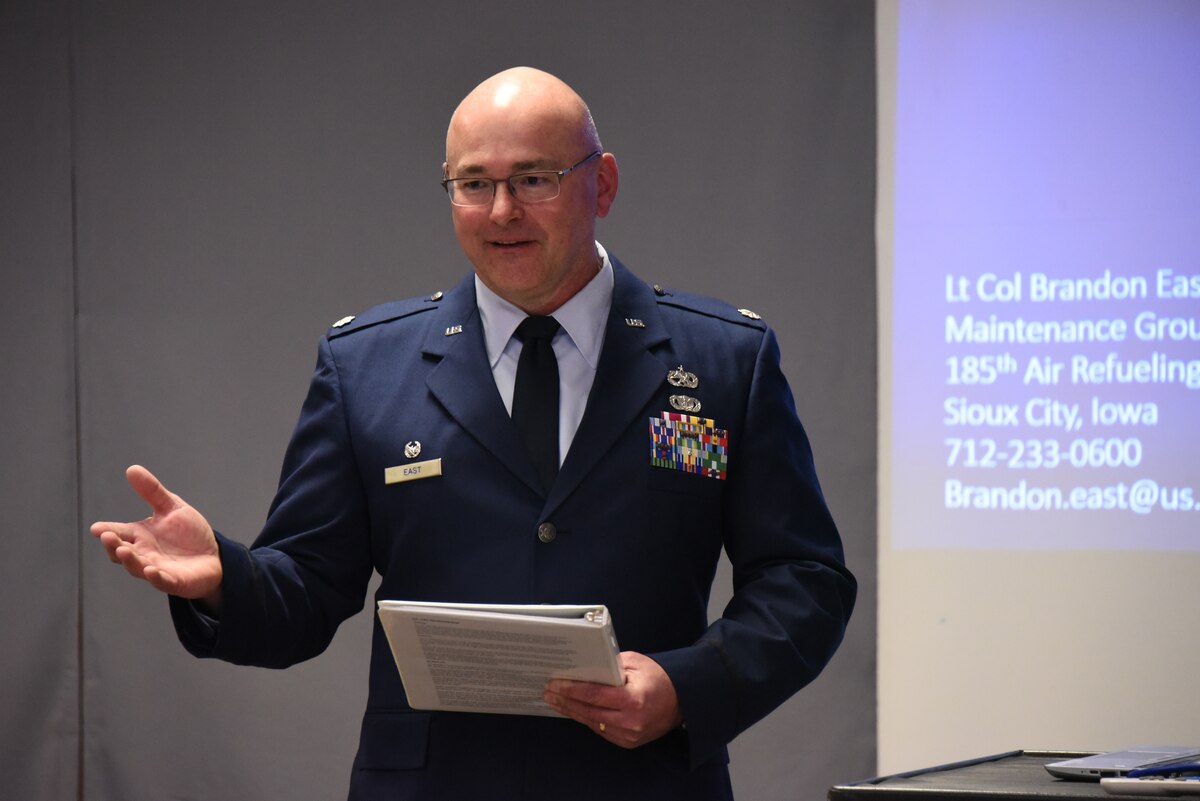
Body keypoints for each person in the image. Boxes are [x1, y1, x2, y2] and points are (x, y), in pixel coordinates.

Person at [92, 66, 856, 800]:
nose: (501, 212)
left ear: (603, 184)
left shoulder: (723, 360)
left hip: (643, 781)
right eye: (474, 184)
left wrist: (689, 687)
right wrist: (223, 578)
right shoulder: (366, 366)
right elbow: (308, 589)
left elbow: (805, 581)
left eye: (534, 179)